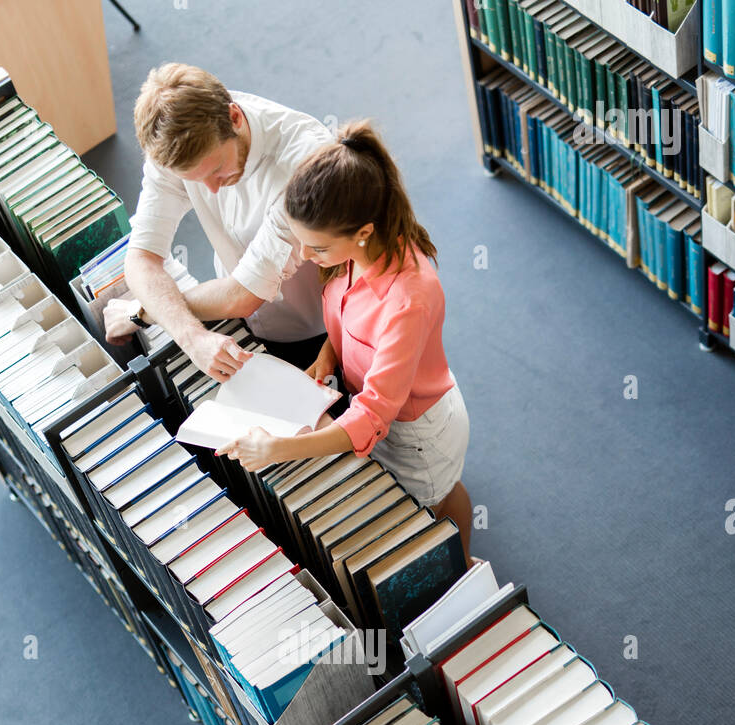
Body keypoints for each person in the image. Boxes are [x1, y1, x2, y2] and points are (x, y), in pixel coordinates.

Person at [218, 121, 475, 559]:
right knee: (404, 505)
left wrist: (281, 449)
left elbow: (374, 414)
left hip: (417, 433)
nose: (303, 256)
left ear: (362, 232)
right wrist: (327, 355)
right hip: (382, 409)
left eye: (315, 248)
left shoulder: (410, 298)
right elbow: (349, 319)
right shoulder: (351, 254)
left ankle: (462, 565)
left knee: (439, 500)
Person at [103, 64, 332, 382]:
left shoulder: (304, 165)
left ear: (234, 118)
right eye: (193, 180)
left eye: (217, 170)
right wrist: (191, 337)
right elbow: (142, 257)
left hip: (320, 331)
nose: (211, 189)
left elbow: (244, 296)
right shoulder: (171, 144)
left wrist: (145, 311)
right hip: (236, 314)